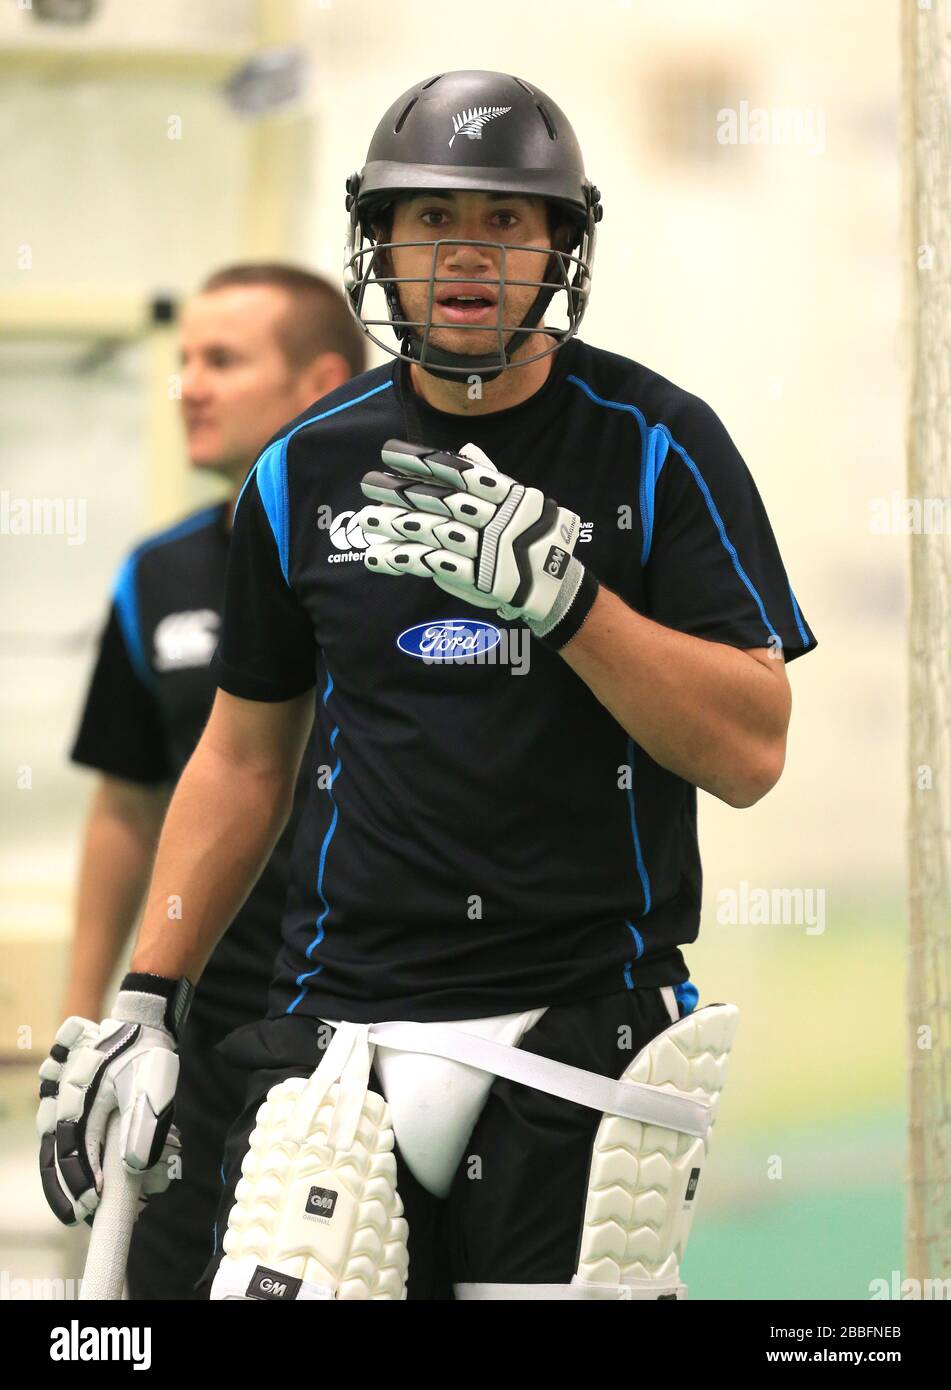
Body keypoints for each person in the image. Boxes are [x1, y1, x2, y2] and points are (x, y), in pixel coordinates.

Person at [39, 71, 815, 1301]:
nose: (466, 250)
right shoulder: (301, 468)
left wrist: (572, 609)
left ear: (562, 243)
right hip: (339, 1027)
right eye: (429, 216)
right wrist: (146, 995)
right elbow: (244, 758)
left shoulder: (658, 442)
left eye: (506, 220)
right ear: (380, 244)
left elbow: (751, 752)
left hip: (582, 1022)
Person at [54, 263, 365, 1298]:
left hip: (361, 1025)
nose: (186, 384)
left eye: (221, 361)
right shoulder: (160, 575)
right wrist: (85, 1018)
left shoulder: (404, 564)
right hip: (194, 1032)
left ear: (319, 384)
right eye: (183, 359)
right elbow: (127, 805)